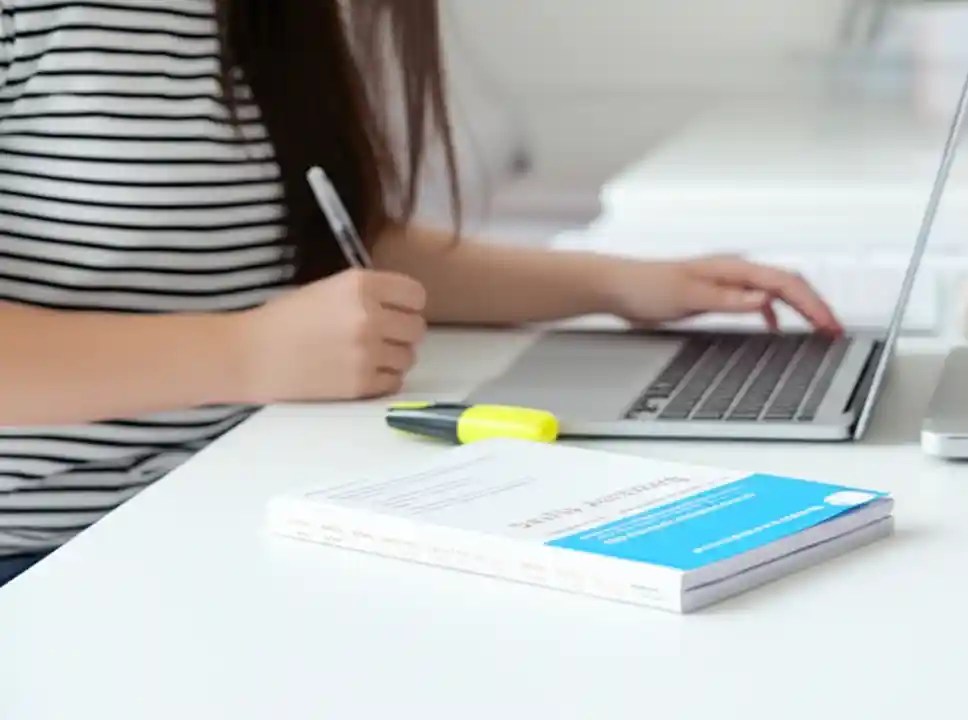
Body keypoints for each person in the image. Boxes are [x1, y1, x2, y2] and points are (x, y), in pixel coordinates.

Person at [0, 0, 840, 588]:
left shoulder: (265, 16)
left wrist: (619, 283)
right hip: (52, 551)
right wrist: (248, 352)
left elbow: (340, 246)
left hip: (248, 500)